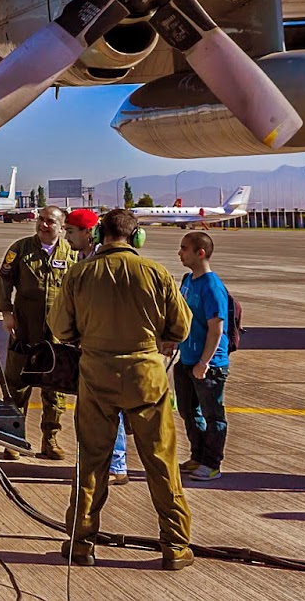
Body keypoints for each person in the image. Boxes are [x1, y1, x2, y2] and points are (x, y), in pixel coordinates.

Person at [51, 208, 194, 570]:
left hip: (96, 374)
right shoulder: (157, 273)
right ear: (137, 237)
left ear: (100, 235)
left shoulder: (80, 274)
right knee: (161, 461)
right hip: (146, 375)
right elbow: (180, 329)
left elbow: (60, 328)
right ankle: (175, 546)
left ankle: (81, 544)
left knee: (92, 462)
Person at [0, 206, 76, 460]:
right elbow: (4, 280)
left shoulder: (71, 254)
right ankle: (13, 438)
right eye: (40, 220)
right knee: (17, 384)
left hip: (58, 332)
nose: (43, 225)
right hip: (25, 328)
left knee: (55, 386)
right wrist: (6, 312)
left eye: (50, 221)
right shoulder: (20, 249)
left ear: (61, 227)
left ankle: (50, 439)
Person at [68, 208, 129, 486]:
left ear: (90, 233)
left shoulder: (95, 266)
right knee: (93, 411)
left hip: (105, 349)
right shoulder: (80, 260)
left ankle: (116, 464)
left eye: (70, 231)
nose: (65, 236)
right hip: (89, 347)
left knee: (106, 408)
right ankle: (102, 462)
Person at [175, 230, 231, 482]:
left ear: (200, 253)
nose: (180, 252)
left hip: (207, 365)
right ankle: (197, 456)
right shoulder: (187, 280)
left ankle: (212, 463)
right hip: (186, 359)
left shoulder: (212, 286)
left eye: (184, 248)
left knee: (213, 415)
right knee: (188, 411)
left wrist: (204, 362)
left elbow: (216, 328)